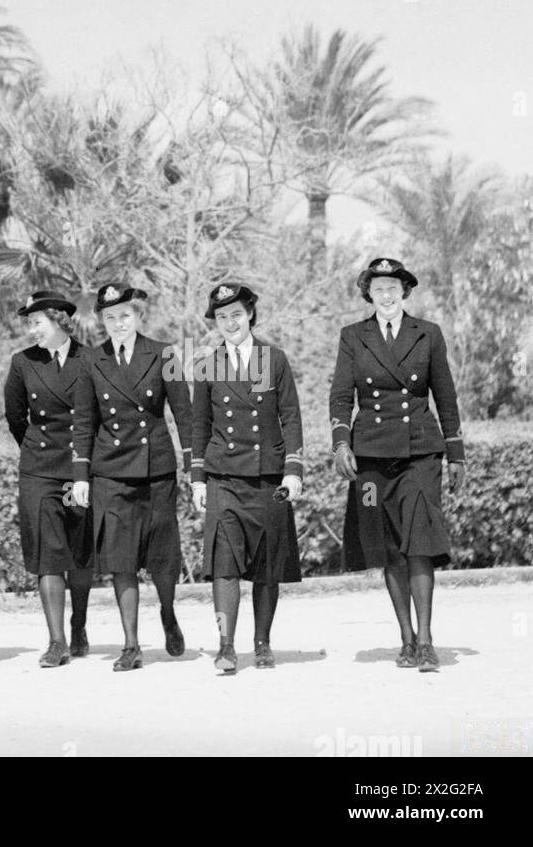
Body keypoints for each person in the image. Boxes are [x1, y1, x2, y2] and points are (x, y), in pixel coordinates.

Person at [329, 257, 466, 673]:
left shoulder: (428, 334)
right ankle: (405, 638)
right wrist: (340, 442)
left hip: (420, 451)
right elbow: (340, 396)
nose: (385, 295)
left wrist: (456, 452)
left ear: (404, 291)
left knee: (419, 541)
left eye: (393, 288)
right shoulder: (353, 336)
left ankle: (425, 640)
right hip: (371, 453)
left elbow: (445, 395)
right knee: (388, 545)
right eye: (378, 288)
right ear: (368, 293)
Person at [71, 282, 192, 670]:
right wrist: (81, 476)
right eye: (110, 318)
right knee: (121, 561)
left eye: (124, 316)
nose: (118, 324)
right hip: (111, 471)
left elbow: (184, 413)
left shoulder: (164, 353)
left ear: (137, 315)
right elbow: (84, 421)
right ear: (101, 321)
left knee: (162, 558)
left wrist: (195, 467)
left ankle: (169, 613)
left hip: (155, 469)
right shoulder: (91, 360)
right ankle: (131, 644)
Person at [190, 281, 304, 674]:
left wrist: (293, 471)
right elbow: (198, 426)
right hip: (223, 476)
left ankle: (263, 643)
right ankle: (225, 646)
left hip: (267, 477)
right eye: (222, 317)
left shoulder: (274, 359)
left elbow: (290, 416)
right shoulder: (207, 364)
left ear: (250, 314)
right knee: (224, 564)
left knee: (267, 565)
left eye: (236, 314)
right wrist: (197, 479)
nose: (230, 323)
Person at [4, 289, 94, 668]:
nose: (31, 331)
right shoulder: (23, 362)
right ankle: (56, 641)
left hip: (80, 467)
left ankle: (78, 624)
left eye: (37, 322)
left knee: (79, 549)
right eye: (28, 324)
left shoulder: (91, 359)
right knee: (47, 554)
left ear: (59, 320)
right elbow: (14, 416)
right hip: (39, 468)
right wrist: (39, 448)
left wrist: (83, 463)